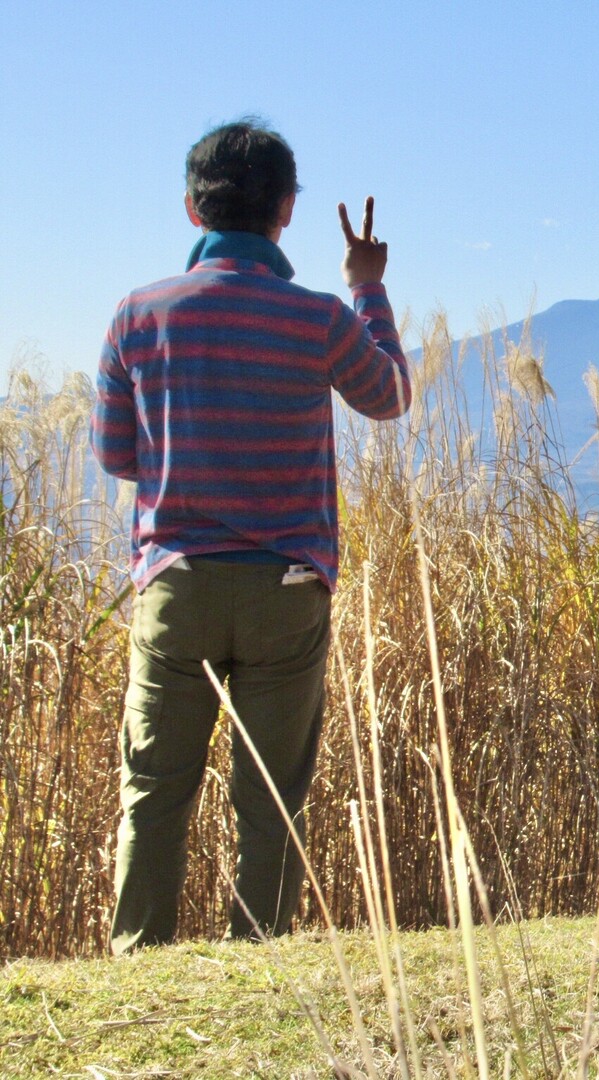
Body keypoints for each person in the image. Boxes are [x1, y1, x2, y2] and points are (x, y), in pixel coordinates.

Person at [91, 120, 412, 953]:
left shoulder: (136, 316)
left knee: (154, 790)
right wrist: (366, 287)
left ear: (193, 207)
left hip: (177, 585)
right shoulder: (318, 319)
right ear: (286, 211)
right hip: (286, 592)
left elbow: (115, 454)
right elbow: (389, 397)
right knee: (270, 799)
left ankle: (137, 962)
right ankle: (258, 965)